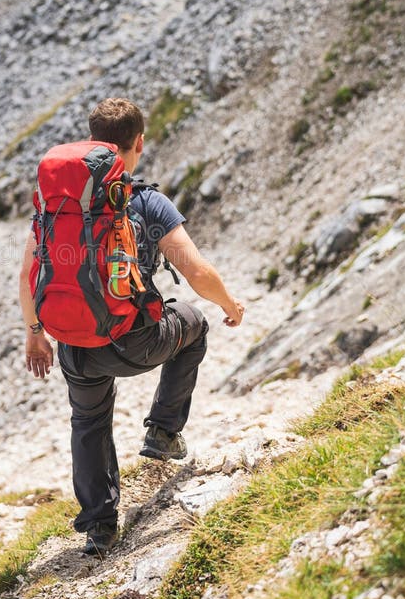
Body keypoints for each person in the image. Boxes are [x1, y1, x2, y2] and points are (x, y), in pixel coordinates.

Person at [19, 98, 244, 557]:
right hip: (137, 341)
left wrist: (35, 332)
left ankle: (99, 527)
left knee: (88, 421)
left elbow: (28, 274)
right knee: (194, 324)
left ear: (92, 140)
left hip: (75, 346)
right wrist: (230, 304)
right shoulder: (145, 201)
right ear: (138, 143)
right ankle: (163, 431)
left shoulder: (57, 205)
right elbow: (196, 272)